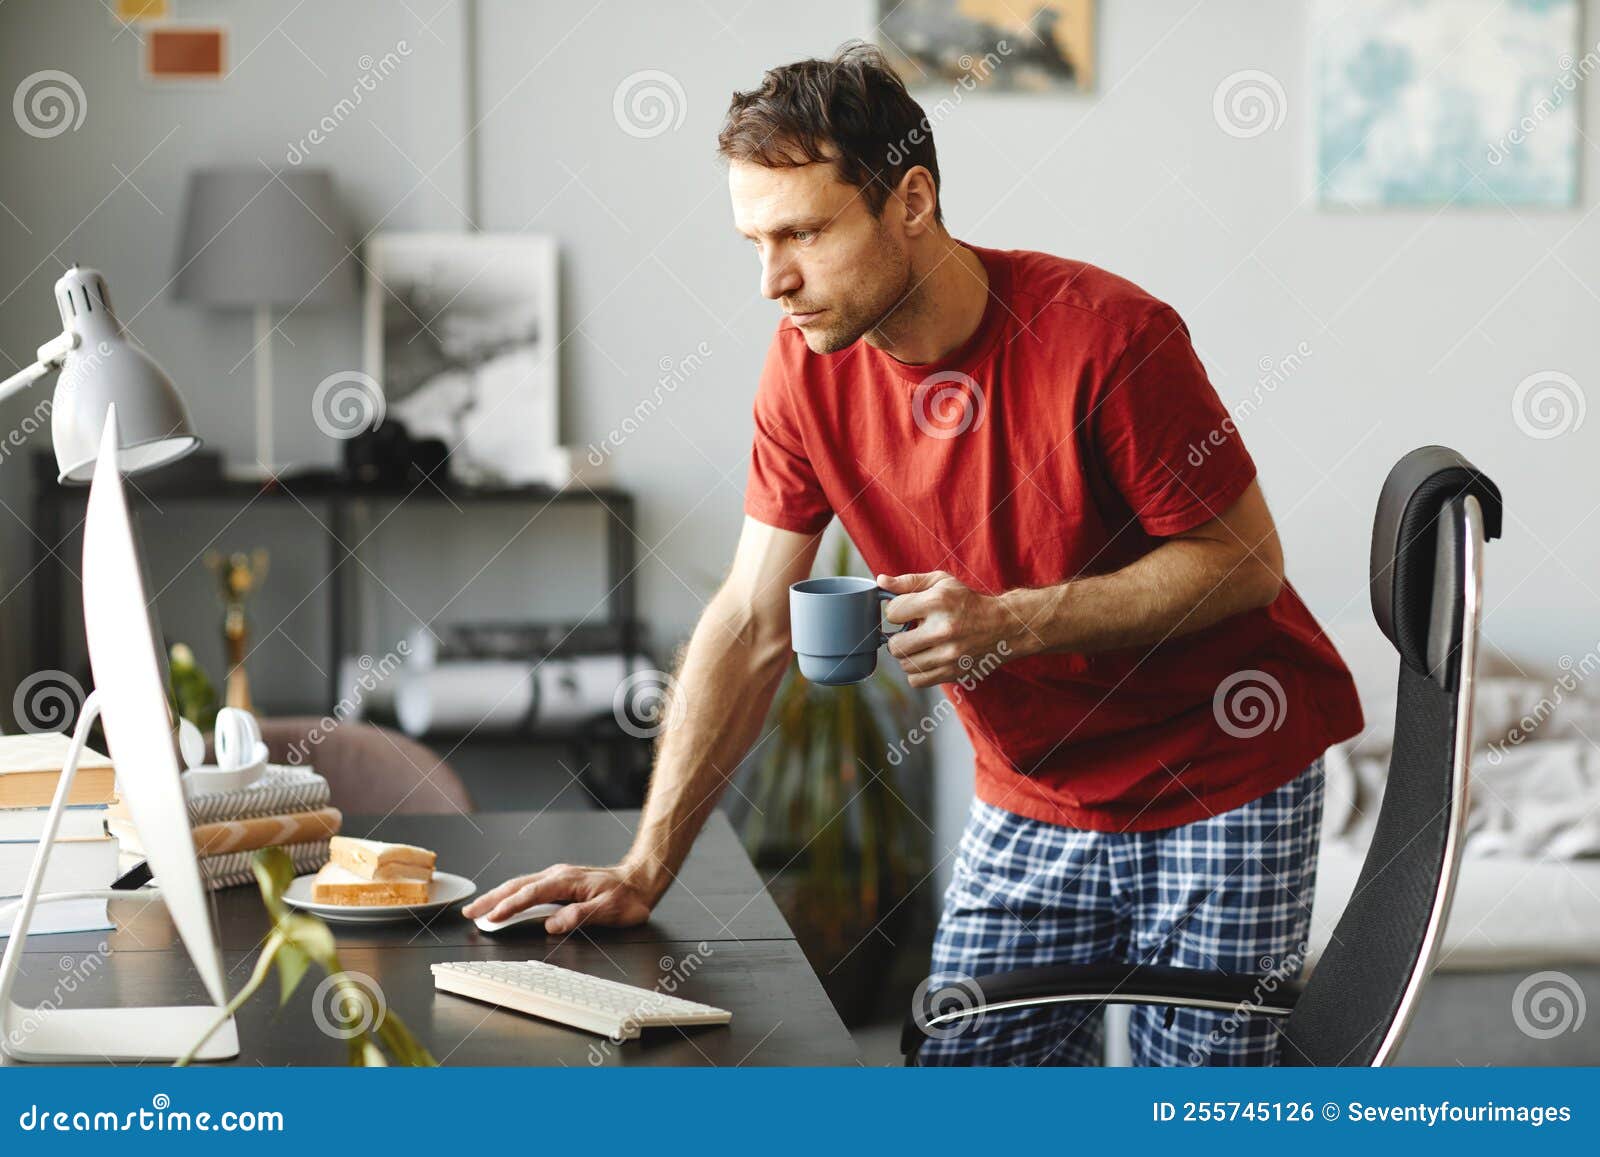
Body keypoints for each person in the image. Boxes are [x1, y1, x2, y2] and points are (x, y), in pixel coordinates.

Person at [463, 43, 1363, 1066]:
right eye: (755, 241)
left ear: (912, 201)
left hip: (1222, 775)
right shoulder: (805, 370)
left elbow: (1241, 562)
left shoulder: (1110, 338)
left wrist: (1009, 619)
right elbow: (754, 618)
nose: (773, 280)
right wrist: (644, 865)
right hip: (1036, 789)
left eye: (802, 231)